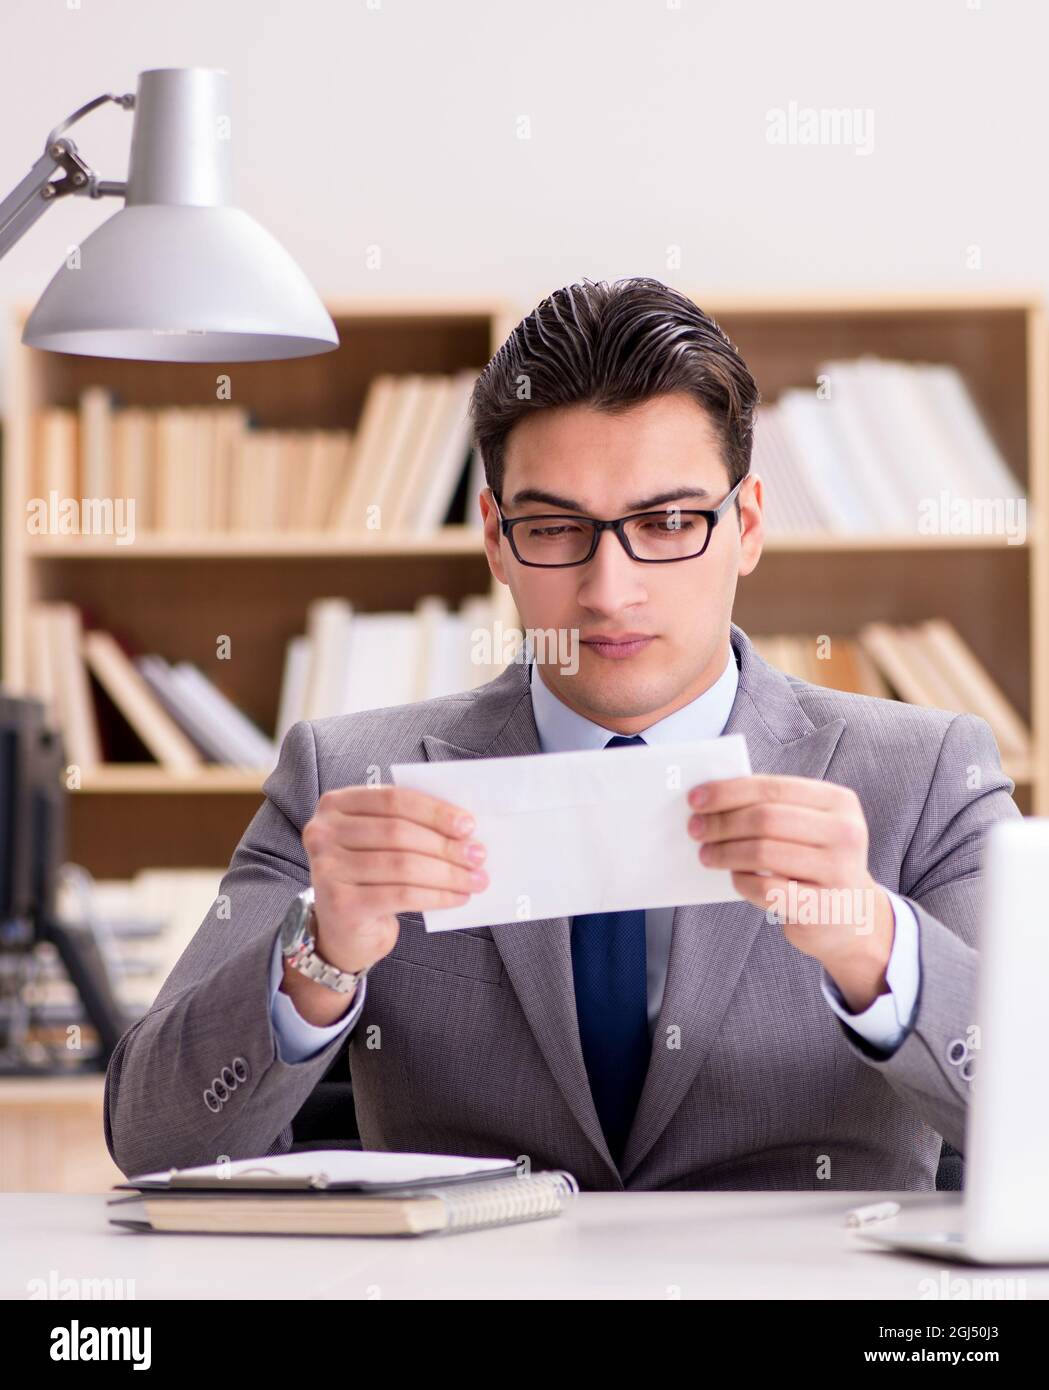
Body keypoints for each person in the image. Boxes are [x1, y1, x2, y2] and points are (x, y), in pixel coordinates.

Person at [105, 277, 1019, 1191]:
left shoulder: (925, 774)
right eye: (553, 528)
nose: (608, 589)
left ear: (744, 526)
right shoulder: (345, 778)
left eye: (667, 523)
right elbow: (154, 1141)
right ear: (496, 540)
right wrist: (317, 959)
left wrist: (873, 943)